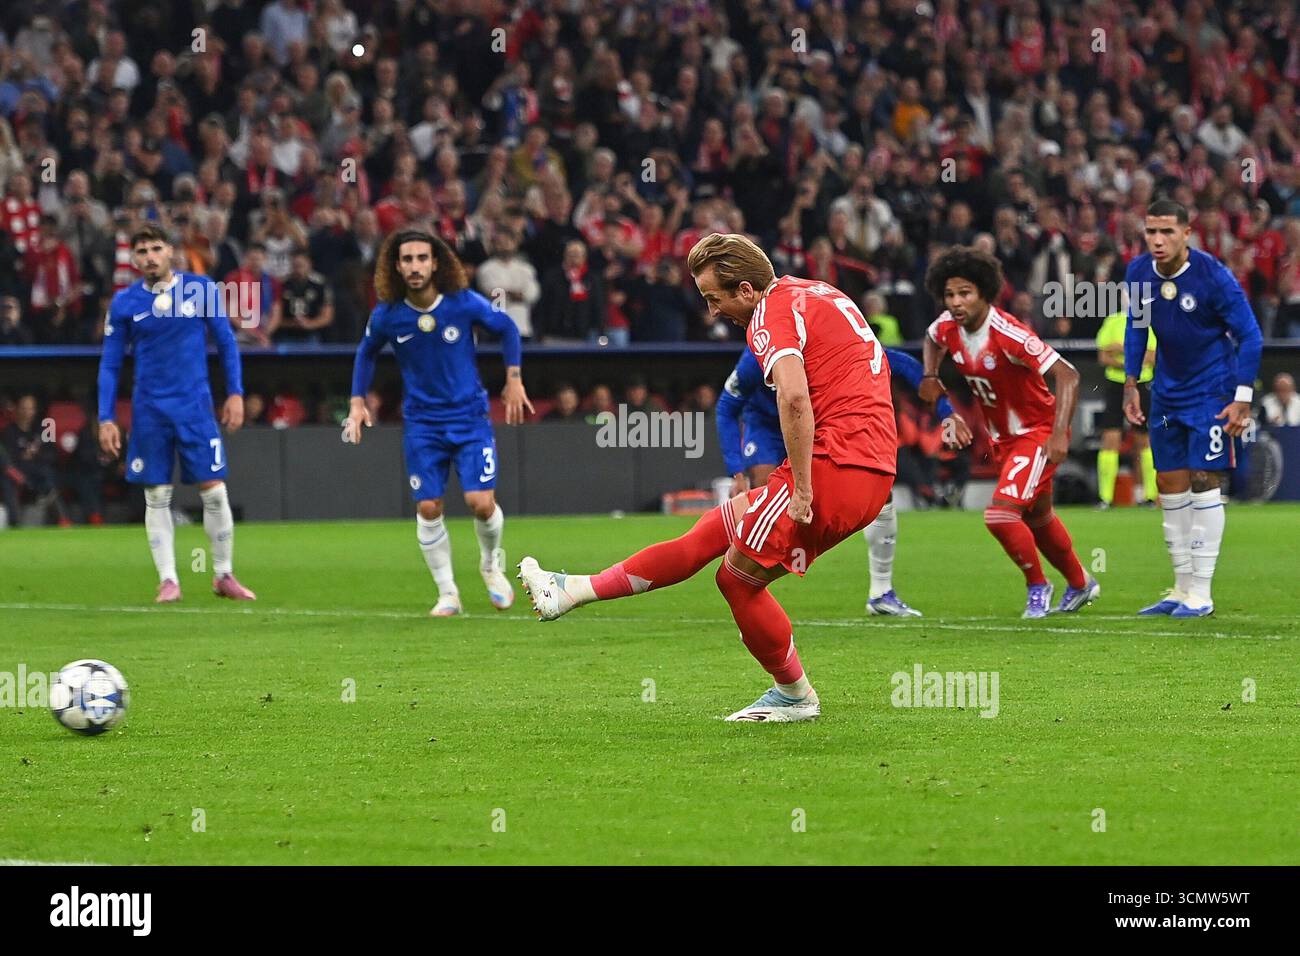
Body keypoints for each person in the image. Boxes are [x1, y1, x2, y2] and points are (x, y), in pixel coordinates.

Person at [518, 234, 897, 723]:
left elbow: (794, 398)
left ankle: (794, 695)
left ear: (745, 289)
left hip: (836, 465)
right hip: (867, 463)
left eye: (714, 299)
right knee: (713, 531)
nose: (714, 312)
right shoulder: (818, 291)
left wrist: (804, 486)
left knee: (736, 579)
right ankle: (569, 590)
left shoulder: (769, 315)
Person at [345, 230, 534, 617]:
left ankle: (491, 566)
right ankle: (448, 593)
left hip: (469, 418)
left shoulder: (462, 304)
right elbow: (365, 354)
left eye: (422, 258)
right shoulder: (388, 314)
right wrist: (356, 403)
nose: (415, 267)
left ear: (436, 263)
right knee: (429, 507)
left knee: (480, 503)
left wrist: (513, 378)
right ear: (396, 266)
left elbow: (508, 329)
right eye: (407, 260)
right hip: (422, 425)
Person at [920, 246, 1097, 619]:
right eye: (950, 294)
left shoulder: (1008, 333)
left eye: (965, 293)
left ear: (985, 292)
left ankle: (1038, 585)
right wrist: (931, 374)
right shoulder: (948, 327)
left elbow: (1068, 374)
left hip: (1036, 433)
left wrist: (1060, 433)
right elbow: (931, 337)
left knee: (1000, 515)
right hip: (1005, 440)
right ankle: (1081, 583)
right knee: (1038, 517)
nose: (956, 302)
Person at [716, 345, 958, 616]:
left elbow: (903, 364)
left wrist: (947, 412)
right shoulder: (759, 352)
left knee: (877, 494)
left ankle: (881, 592)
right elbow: (726, 407)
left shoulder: (832, 338)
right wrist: (736, 472)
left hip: (816, 422)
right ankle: (750, 596)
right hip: (767, 428)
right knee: (763, 495)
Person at [96, 224, 255, 602]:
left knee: (214, 492)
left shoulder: (201, 289)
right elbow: (110, 365)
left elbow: (227, 343)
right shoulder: (123, 304)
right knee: (156, 495)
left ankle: (223, 575)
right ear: (134, 259)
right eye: (142, 251)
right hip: (150, 410)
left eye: (155, 248)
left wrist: (235, 393)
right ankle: (169, 579)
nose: (149, 257)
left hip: (196, 408)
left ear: (171, 251)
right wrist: (105, 416)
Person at [1122, 199, 1263, 618]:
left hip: (1211, 392)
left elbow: (1251, 336)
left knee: (1204, 479)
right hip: (1166, 393)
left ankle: (1201, 593)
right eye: (1151, 231)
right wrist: (1132, 383)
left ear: (1188, 232)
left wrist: (1241, 398)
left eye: (1167, 231)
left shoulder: (1213, 276)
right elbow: (1136, 328)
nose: (1158, 240)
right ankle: (1180, 588)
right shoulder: (1138, 273)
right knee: (1169, 484)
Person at [1095, 309, 1157, 507]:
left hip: (1142, 384)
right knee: (1110, 439)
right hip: (1115, 385)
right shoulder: (1112, 320)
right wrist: (1133, 356)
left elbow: (1152, 357)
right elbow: (1103, 356)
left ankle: (1148, 496)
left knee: (1143, 441)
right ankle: (1105, 498)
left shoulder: (1148, 320)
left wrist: (1121, 351)